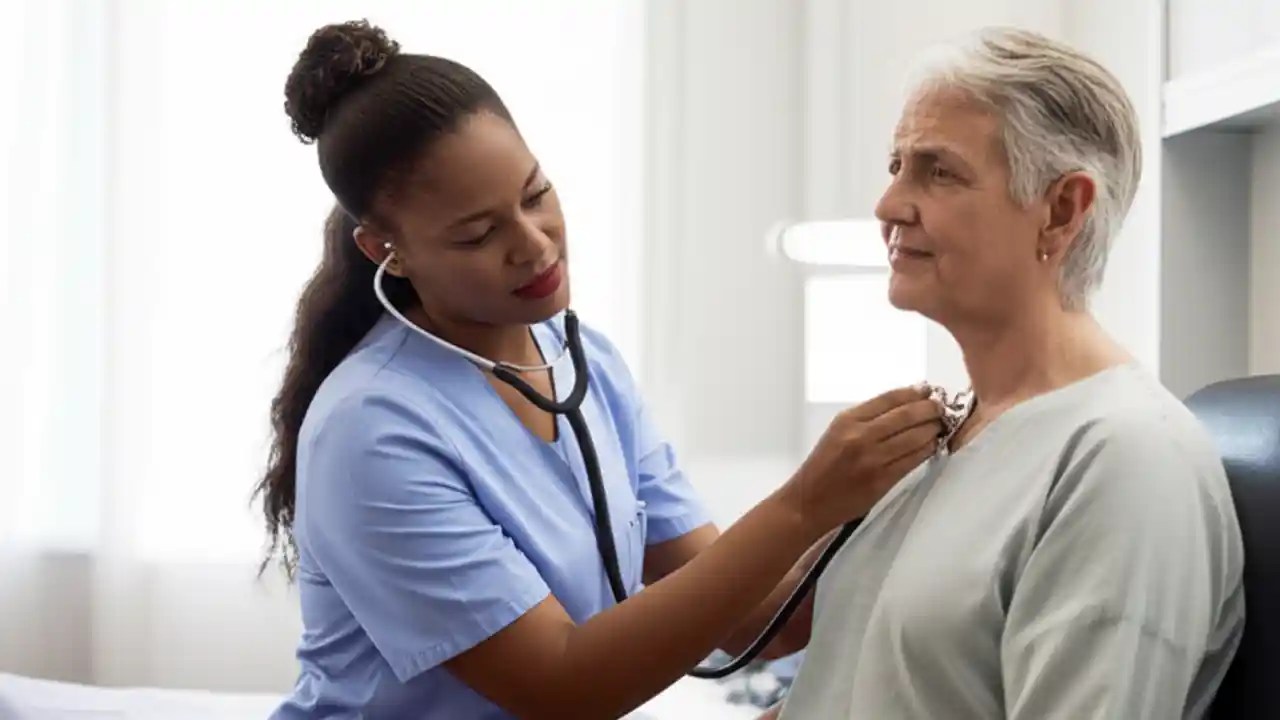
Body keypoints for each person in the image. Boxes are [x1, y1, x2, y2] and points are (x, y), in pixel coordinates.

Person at [255, 19, 945, 720]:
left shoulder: (584, 363)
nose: (534, 246)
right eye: (479, 233)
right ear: (387, 251)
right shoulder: (369, 433)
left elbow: (754, 621)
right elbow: (562, 688)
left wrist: (888, 497)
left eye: (534, 195)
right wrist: (807, 501)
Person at [764, 27, 1247, 720]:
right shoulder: (933, 438)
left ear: (1060, 211)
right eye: (896, 164)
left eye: (938, 172)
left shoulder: (1126, 460)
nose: (888, 204)